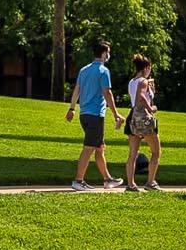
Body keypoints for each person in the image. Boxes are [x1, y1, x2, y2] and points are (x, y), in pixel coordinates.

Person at [66, 38, 120, 191]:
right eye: (108, 52)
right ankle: (78, 181)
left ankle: (107, 179)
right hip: (96, 115)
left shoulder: (84, 70)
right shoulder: (103, 71)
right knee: (89, 148)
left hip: (84, 114)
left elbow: (77, 89)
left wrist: (71, 108)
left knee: (99, 147)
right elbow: (107, 93)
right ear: (103, 54)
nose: (108, 55)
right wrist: (116, 114)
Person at [121, 53, 164, 192]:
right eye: (149, 68)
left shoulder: (132, 81)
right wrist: (150, 108)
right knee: (156, 152)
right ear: (146, 68)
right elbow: (141, 97)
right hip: (144, 118)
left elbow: (137, 96)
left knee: (132, 154)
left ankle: (131, 184)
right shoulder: (143, 81)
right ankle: (150, 182)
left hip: (132, 117)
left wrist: (152, 90)